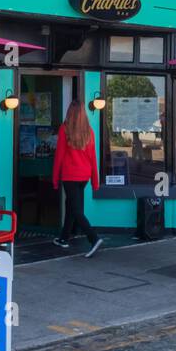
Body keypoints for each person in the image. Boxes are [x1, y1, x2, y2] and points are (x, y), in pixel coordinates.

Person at [52, 100, 103, 258]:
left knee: (76, 210)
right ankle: (63, 238)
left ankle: (93, 238)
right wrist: (95, 181)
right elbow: (93, 159)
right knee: (71, 206)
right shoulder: (89, 131)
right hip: (84, 177)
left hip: (70, 176)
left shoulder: (64, 129)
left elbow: (59, 156)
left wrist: (55, 179)